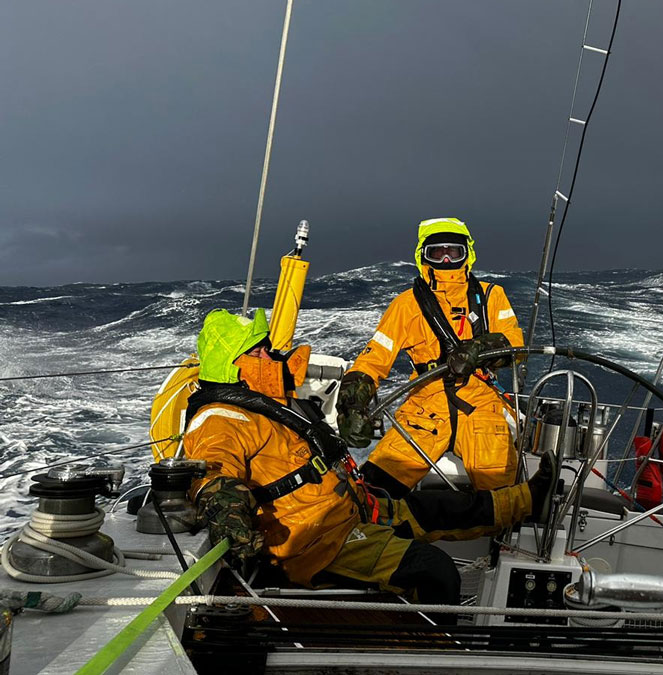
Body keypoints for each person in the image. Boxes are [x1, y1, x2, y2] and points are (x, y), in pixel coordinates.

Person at [184, 308, 552, 605]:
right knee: (436, 571)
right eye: (259, 350)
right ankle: (434, 652)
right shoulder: (219, 418)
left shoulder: (267, 404)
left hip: (350, 511)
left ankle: (529, 501)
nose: (270, 355)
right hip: (318, 546)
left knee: (437, 507)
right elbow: (211, 472)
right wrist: (227, 510)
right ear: (235, 365)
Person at [336, 218, 524, 498]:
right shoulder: (407, 304)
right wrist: (353, 402)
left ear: (467, 254)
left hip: (482, 407)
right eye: (437, 252)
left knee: (505, 498)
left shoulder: (491, 297)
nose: (446, 258)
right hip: (425, 410)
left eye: (454, 251)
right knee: (372, 491)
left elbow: (515, 347)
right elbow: (374, 358)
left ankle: (501, 539)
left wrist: (480, 348)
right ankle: (380, 536)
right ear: (423, 256)